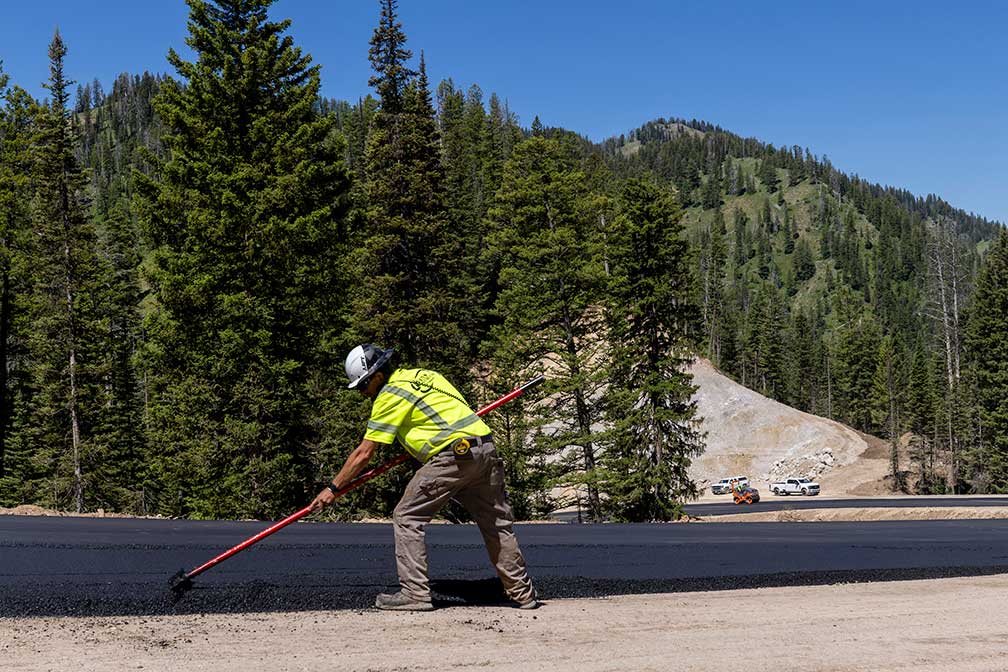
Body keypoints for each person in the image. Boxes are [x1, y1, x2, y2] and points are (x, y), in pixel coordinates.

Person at [310, 343, 539, 611]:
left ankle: (415, 594)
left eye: (363, 385)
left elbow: (364, 453)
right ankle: (522, 593)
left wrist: (333, 488)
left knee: (407, 516)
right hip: (484, 449)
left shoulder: (390, 395)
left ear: (378, 376)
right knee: (497, 524)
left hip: (453, 456)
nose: (363, 392)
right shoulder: (424, 376)